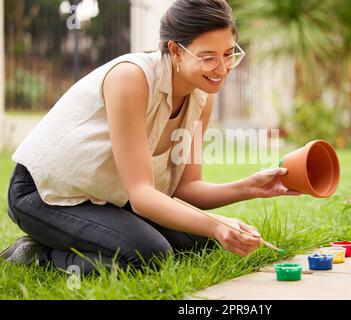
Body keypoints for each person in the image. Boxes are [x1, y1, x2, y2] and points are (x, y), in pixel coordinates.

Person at [1, 0, 299, 276]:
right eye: (208, 57)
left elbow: (187, 188)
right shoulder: (131, 78)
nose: (222, 69)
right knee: (150, 254)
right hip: (46, 194)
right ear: (176, 50)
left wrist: (249, 187)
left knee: (201, 241)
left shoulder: (202, 96)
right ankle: (38, 255)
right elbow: (142, 196)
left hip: (107, 197)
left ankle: (79, 242)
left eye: (228, 53)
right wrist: (217, 225)